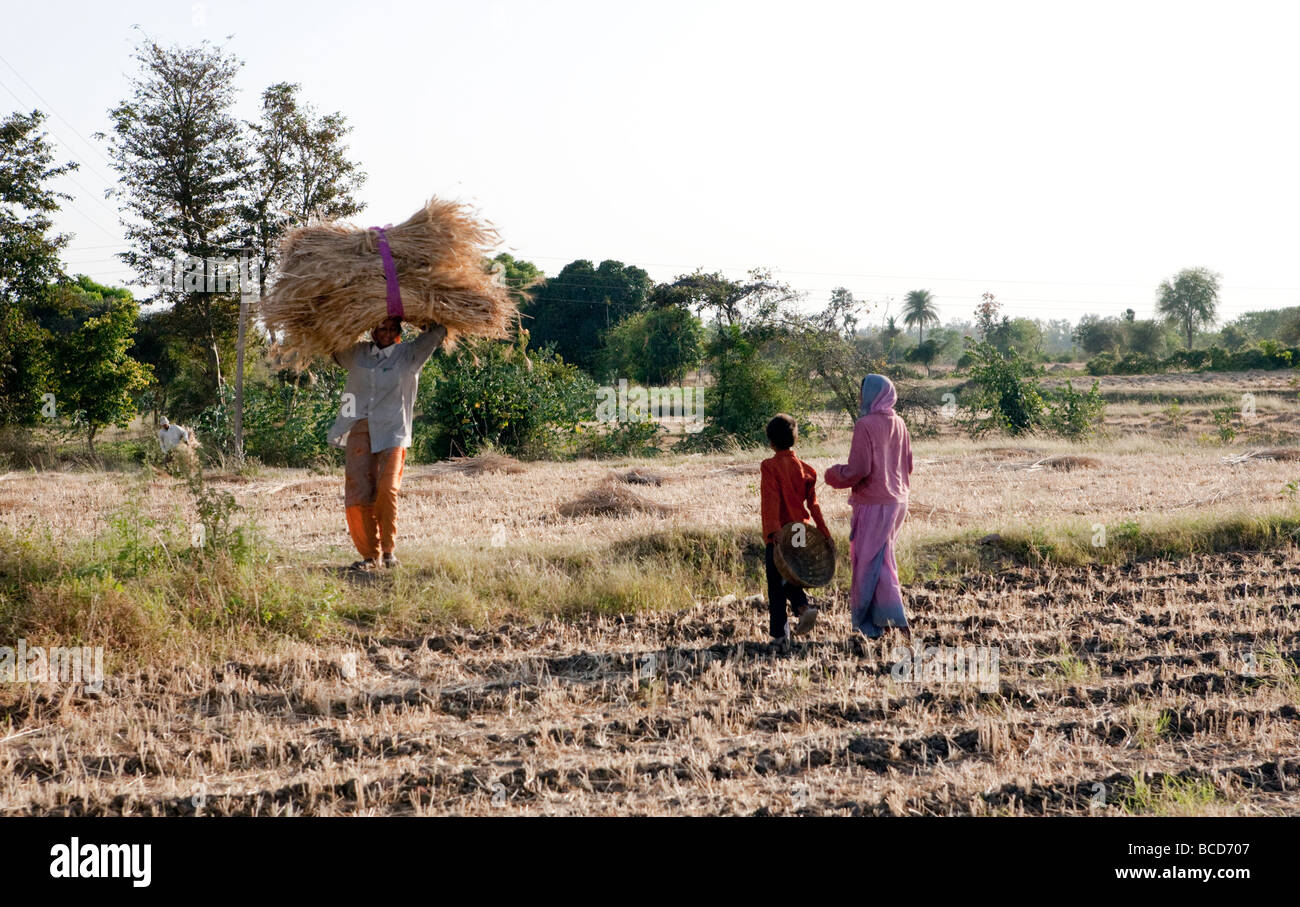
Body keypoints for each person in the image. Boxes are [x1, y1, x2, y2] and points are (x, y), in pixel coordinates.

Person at [328, 316, 447, 571]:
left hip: (393, 431)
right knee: (358, 492)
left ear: (399, 331)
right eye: (382, 328)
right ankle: (370, 556)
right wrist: (352, 317)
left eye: (393, 328)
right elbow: (332, 343)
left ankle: (389, 551)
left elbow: (439, 331)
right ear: (372, 330)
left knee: (387, 488)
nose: (387, 332)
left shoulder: (410, 354)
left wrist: (418, 313)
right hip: (360, 428)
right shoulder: (358, 354)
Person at [824, 374, 913, 640]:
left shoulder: (864, 425)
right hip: (898, 502)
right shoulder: (899, 423)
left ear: (872, 395)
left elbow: (859, 470)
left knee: (871, 563)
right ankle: (880, 622)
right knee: (882, 558)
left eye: (863, 392)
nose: (860, 397)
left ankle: (888, 620)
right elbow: (908, 464)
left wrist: (834, 474)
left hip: (874, 503)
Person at [760, 413, 832, 646]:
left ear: (771, 442)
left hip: (782, 533)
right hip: (801, 530)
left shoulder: (769, 467)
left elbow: (770, 500)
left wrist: (773, 530)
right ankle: (802, 607)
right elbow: (814, 506)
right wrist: (825, 533)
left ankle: (780, 634)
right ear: (795, 440)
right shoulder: (806, 469)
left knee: (776, 583)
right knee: (793, 576)